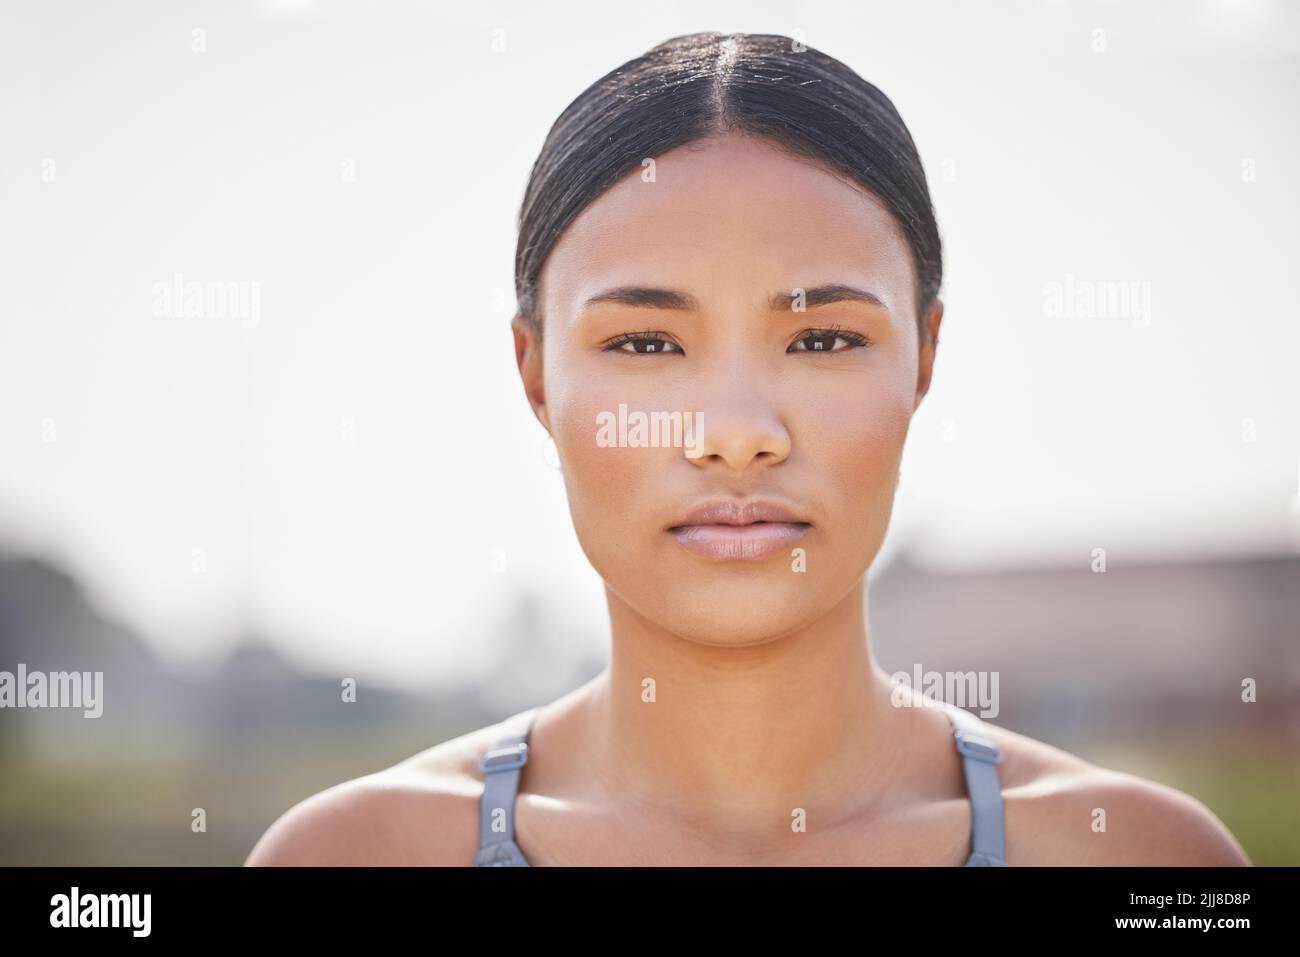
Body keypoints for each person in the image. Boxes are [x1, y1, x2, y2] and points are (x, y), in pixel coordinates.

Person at [246, 31, 1249, 867]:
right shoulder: (356, 854)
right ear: (536, 374)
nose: (735, 435)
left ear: (925, 357)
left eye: (821, 340)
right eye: (645, 343)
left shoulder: (1139, 860)